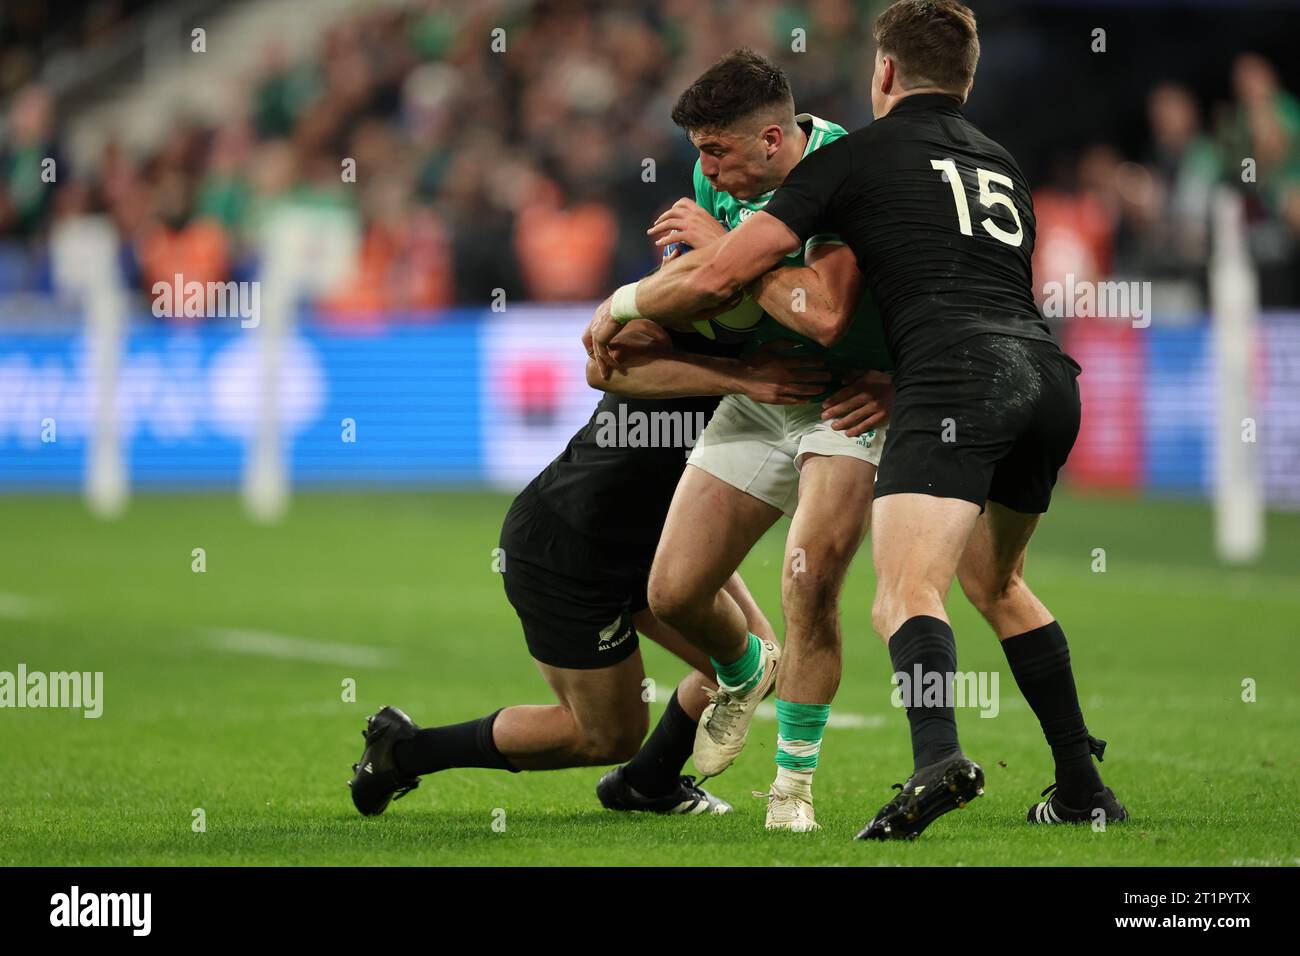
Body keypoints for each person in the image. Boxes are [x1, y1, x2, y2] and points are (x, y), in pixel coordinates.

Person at [585, 0, 1126, 839]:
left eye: (718, 150)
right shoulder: (1000, 163)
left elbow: (776, 291)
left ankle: (907, 766)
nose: (708, 170)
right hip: (1041, 373)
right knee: (997, 583)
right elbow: (967, 277)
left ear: (882, 73)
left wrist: (631, 300)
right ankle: (1081, 787)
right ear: (966, 79)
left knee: (879, 588)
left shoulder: (852, 158)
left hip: (913, 388)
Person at [349, 299, 841, 818]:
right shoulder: (683, 306)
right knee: (604, 735)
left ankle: (648, 783)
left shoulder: (774, 321)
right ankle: (404, 752)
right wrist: (740, 377)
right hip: (572, 547)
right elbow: (607, 366)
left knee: (752, 664)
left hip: (662, 538)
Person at [610, 49, 893, 832]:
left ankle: (791, 790)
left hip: (849, 398)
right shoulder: (717, 180)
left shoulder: (845, 174)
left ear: (773, 141)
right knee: (672, 592)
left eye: (717, 151)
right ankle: (744, 671)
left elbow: (827, 315)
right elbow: (706, 291)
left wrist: (719, 255)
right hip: (766, 390)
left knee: (808, 585)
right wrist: (627, 309)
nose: (704, 169)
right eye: (700, 151)